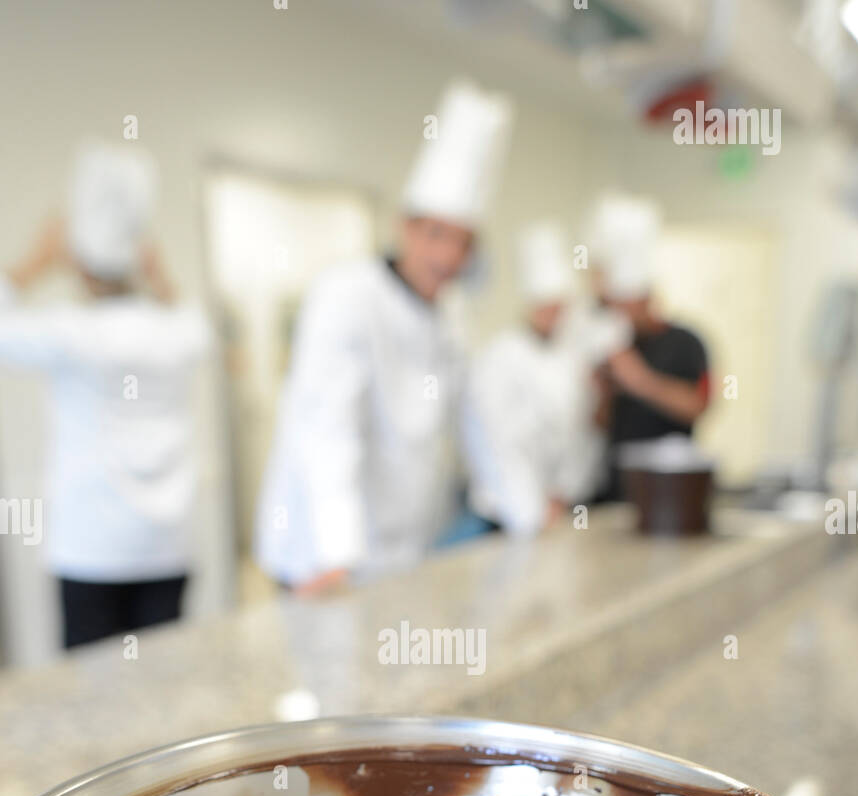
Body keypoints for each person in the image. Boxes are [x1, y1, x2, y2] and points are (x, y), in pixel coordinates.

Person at [255, 81, 513, 593]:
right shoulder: (346, 296)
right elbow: (328, 427)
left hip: (403, 551)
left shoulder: (455, 316)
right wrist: (336, 553)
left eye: (463, 242)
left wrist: (525, 509)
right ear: (405, 227)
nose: (448, 257)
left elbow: (481, 421)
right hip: (320, 554)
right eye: (436, 234)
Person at [0, 143, 211, 648]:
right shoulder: (176, 333)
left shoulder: (73, 332)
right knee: (161, 682)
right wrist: (157, 274)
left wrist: (34, 261)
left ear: (77, 261)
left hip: (90, 550)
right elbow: (195, 324)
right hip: (166, 546)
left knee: (93, 702)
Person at [464, 221, 630, 534]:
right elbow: (499, 442)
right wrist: (531, 508)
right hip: (506, 509)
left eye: (559, 307)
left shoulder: (572, 355)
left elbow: (583, 434)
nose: (553, 315)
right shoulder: (499, 357)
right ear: (529, 304)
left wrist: (563, 491)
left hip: (561, 505)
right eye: (545, 307)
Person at [589, 194, 711, 499]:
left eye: (627, 305)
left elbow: (697, 406)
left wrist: (639, 380)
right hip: (615, 487)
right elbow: (600, 424)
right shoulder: (615, 346)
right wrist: (603, 391)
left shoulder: (686, 342)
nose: (621, 314)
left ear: (647, 299)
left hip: (668, 486)